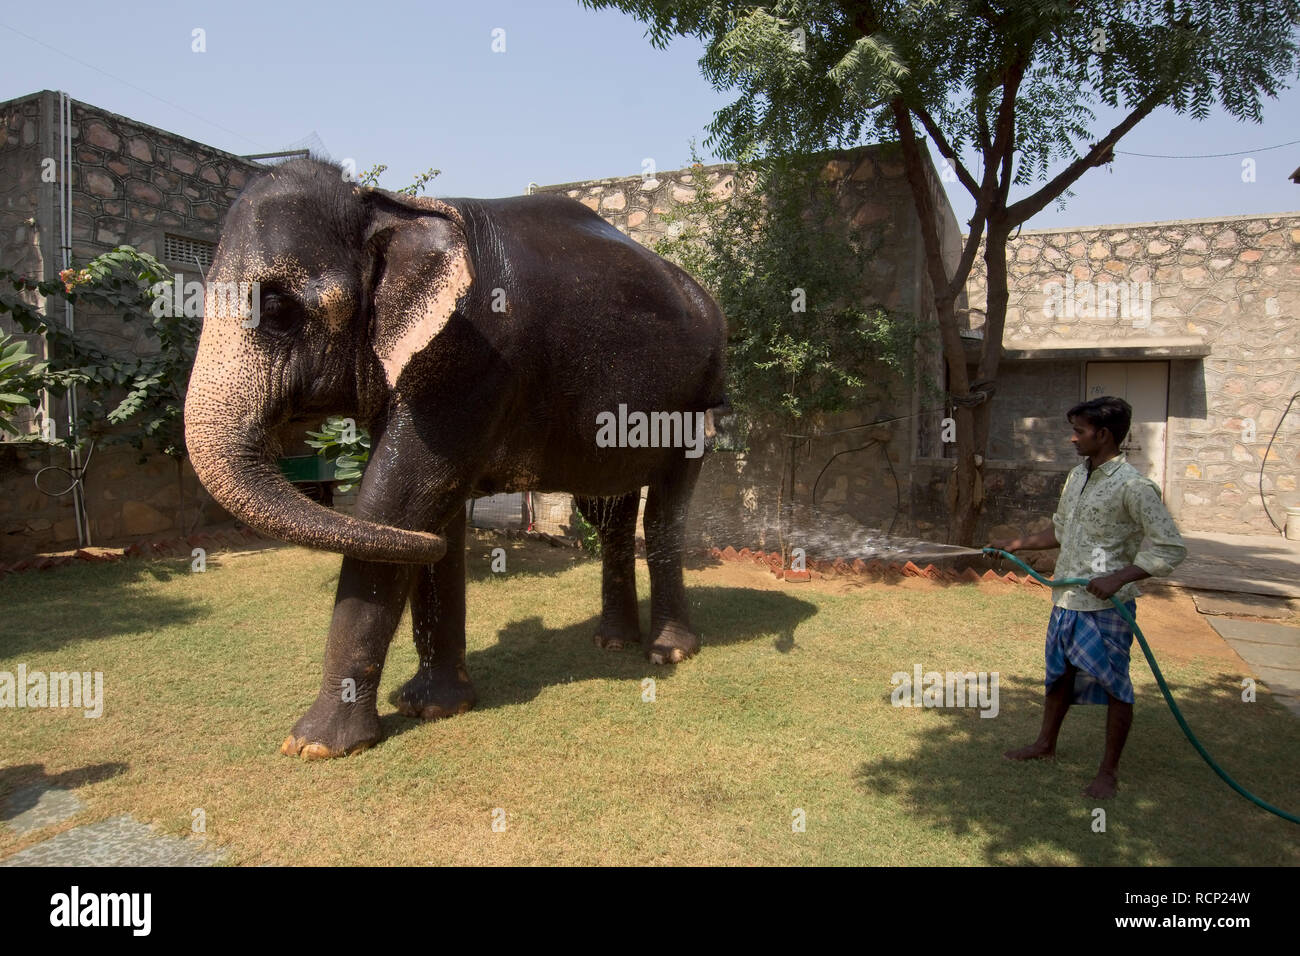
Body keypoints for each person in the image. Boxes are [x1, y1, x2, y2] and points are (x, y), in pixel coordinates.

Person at [988, 395, 1186, 798]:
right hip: (1067, 601)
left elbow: (1170, 547)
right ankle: (1045, 744)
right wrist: (1015, 543)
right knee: (1059, 676)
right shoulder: (1077, 476)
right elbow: (1061, 531)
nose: (1072, 438)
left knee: (1115, 685)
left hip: (1106, 608)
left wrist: (1120, 577)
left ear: (1105, 434)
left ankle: (1108, 772)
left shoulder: (1135, 487)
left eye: (1079, 431)